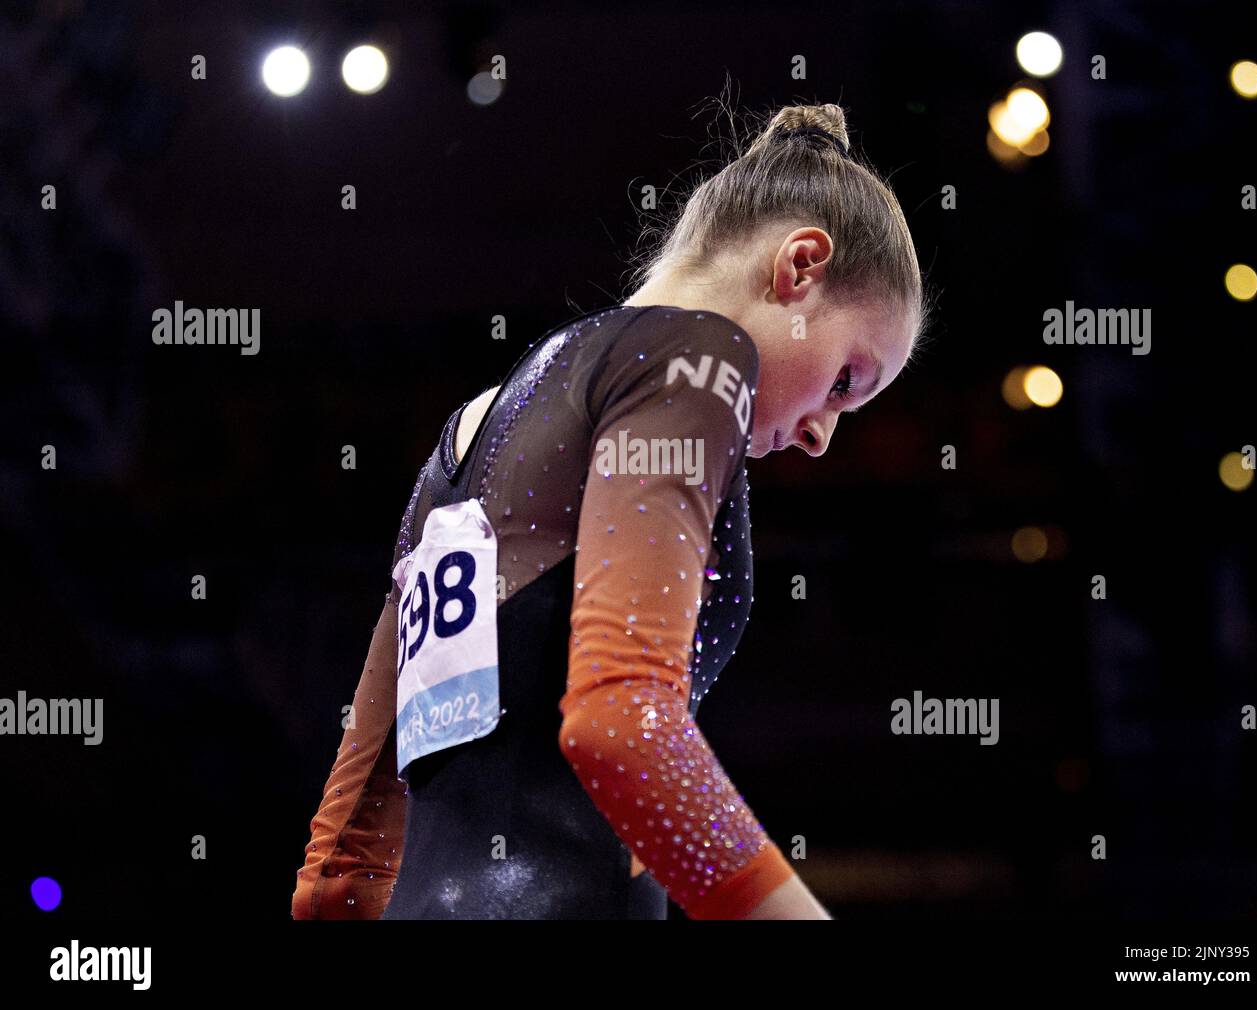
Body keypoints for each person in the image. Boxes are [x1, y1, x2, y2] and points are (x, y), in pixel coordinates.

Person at [291, 101, 927, 920]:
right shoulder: (694, 358)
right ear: (798, 267)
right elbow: (620, 722)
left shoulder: (462, 439)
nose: (820, 437)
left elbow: (341, 868)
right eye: (846, 379)